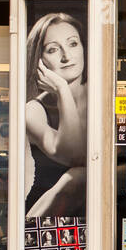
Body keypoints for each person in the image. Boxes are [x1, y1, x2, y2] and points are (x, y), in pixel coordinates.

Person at [24, 12, 87, 218]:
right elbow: (74, 155)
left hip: (91, 215)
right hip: (47, 220)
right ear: (39, 60)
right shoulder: (33, 110)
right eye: (53, 49)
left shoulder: (101, 96)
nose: (66, 57)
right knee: (77, 177)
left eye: (73, 44)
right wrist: (62, 89)